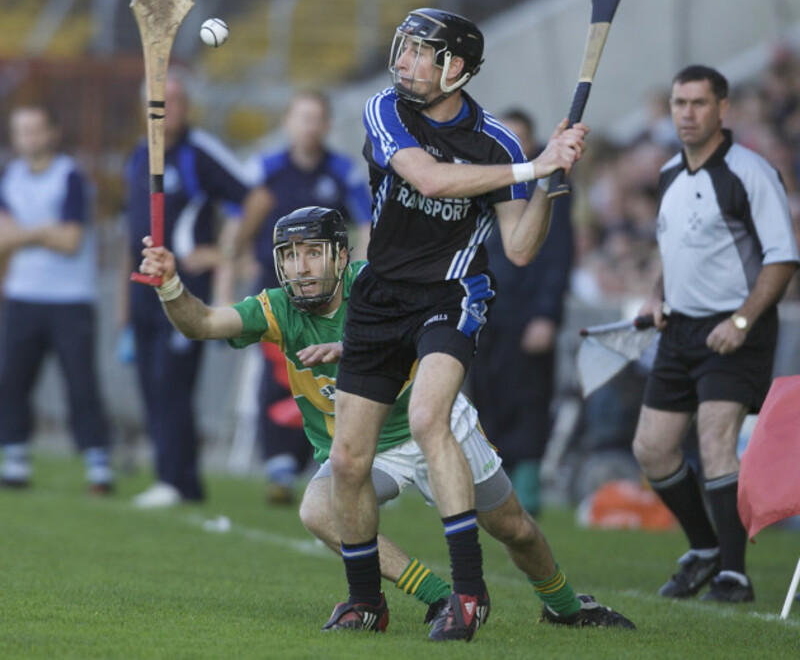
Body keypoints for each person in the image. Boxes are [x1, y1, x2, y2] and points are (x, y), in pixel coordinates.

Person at [136, 205, 634, 634]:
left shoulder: (379, 285)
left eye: (312, 252)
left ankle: (566, 606)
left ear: (339, 254)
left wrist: (354, 348)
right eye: (289, 256)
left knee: (513, 528)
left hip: (431, 422)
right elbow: (201, 322)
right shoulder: (277, 307)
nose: (301, 267)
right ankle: (438, 596)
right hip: (365, 446)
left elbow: (432, 334)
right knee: (317, 510)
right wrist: (171, 284)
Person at [328, 7, 588, 641]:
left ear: (458, 70)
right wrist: (534, 166)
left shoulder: (497, 142)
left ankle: (467, 595)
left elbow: (520, 247)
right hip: (380, 296)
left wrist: (553, 183)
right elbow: (429, 178)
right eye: (406, 49)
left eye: (421, 53)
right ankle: (367, 602)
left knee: (426, 417)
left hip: (452, 295)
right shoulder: (385, 111)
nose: (405, 62)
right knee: (348, 460)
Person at [632, 65, 799, 603]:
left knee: (714, 438)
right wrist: (657, 296)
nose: (687, 113)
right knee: (652, 449)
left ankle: (735, 574)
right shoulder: (666, 174)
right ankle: (705, 549)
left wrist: (743, 321)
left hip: (736, 326)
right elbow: (673, 247)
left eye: (699, 103)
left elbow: (783, 258)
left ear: (722, 109)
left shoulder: (750, 172)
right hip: (680, 330)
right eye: (680, 102)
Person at [121, 74, 256, 508]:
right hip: (143, 294)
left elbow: (256, 199)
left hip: (183, 293)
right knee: (150, 386)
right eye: (157, 102)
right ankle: (183, 482)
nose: (166, 109)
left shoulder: (199, 153)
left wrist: (223, 252)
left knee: (172, 385)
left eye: (174, 101)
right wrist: (124, 307)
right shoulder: (137, 157)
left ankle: (174, 481)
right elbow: (132, 234)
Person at [235, 90, 372, 504]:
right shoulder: (265, 171)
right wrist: (234, 262)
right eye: (302, 118)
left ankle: (326, 460)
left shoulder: (343, 172)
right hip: (275, 291)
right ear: (287, 124)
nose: (309, 126)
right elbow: (241, 221)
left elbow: (367, 224)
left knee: (327, 373)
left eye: (317, 119)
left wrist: (357, 278)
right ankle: (279, 462)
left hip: (327, 295)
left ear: (326, 125)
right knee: (278, 372)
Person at [0, 104, 113, 493]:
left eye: (35, 129)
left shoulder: (71, 177)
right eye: (21, 130)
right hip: (22, 295)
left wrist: (24, 235)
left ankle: (98, 465)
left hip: (70, 298)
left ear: (52, 133)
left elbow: (69, 240)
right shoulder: (10, 176)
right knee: (12, 381)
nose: (28, 138)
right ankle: (15, 459)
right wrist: (43, 231)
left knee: (80, 383)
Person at [469, 108, 573, 516]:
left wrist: (547, 315)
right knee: (487, 398)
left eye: (519, 137)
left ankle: (527, 481)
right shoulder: (478, 185)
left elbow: (560, 256)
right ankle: (496, 484)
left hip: (528, 315)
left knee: (529, 398)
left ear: (531, 144)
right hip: (483, 312)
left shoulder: (550, 188)